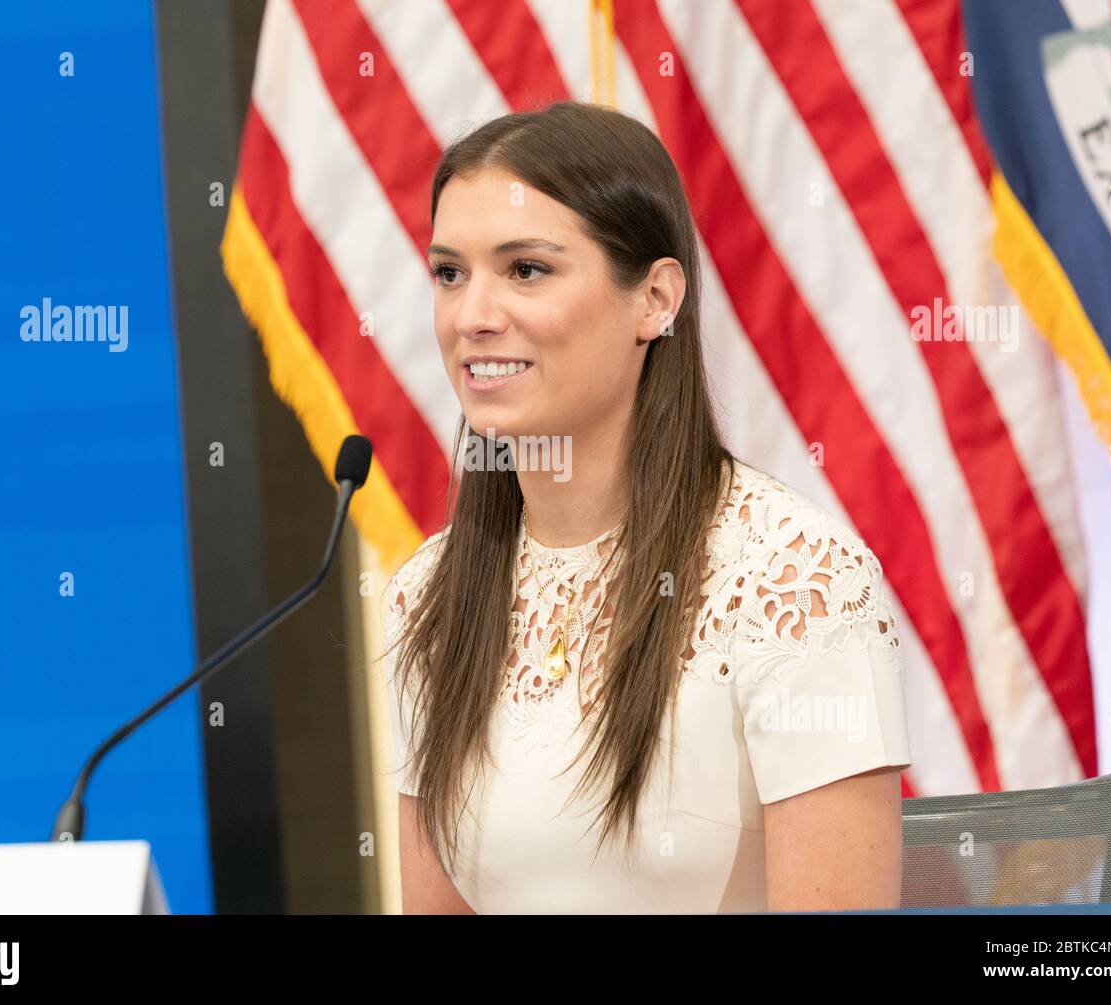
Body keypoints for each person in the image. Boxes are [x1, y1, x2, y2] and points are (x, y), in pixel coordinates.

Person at [380, 100, 912, 914]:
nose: (473, 317)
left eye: (526, 269)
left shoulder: (797, 581)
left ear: (657, 299)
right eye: (450, 273)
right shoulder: (428, 595)